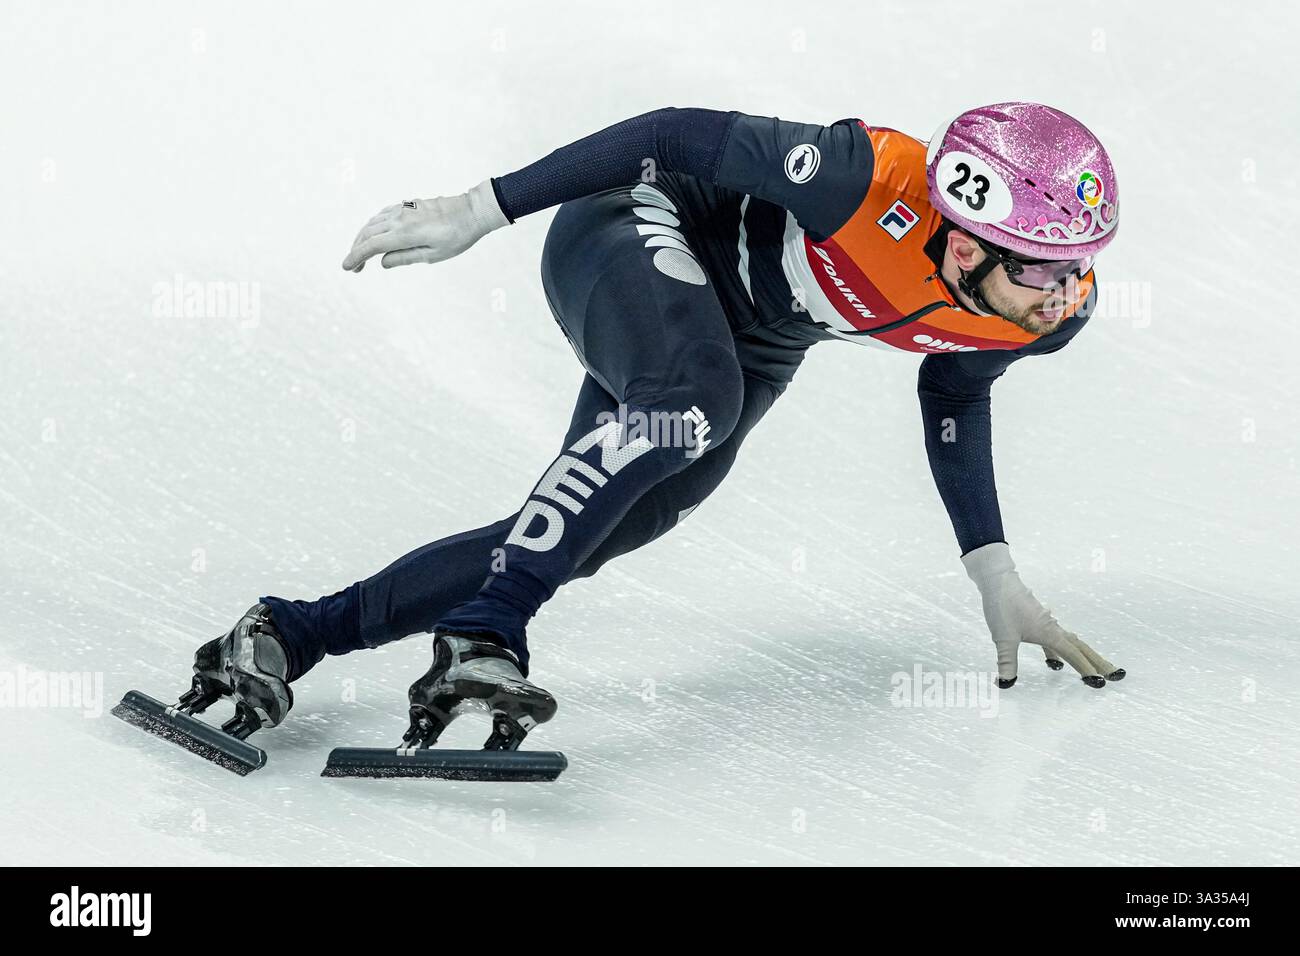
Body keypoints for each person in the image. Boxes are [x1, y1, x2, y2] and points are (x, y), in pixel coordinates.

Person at [193, 102, 1125, 749]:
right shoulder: (862, 176)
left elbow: (956, 393)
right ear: (965, 240)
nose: (1066, 294)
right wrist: (482, 208)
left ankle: (288, 631)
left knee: (611, 520)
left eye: (1080, 266)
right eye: (1045, 269)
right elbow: (670, 132)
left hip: (753, 333)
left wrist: (992, 571)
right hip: (633, 225)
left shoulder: (1042, 313)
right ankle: (487, 632)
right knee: (690, 407)